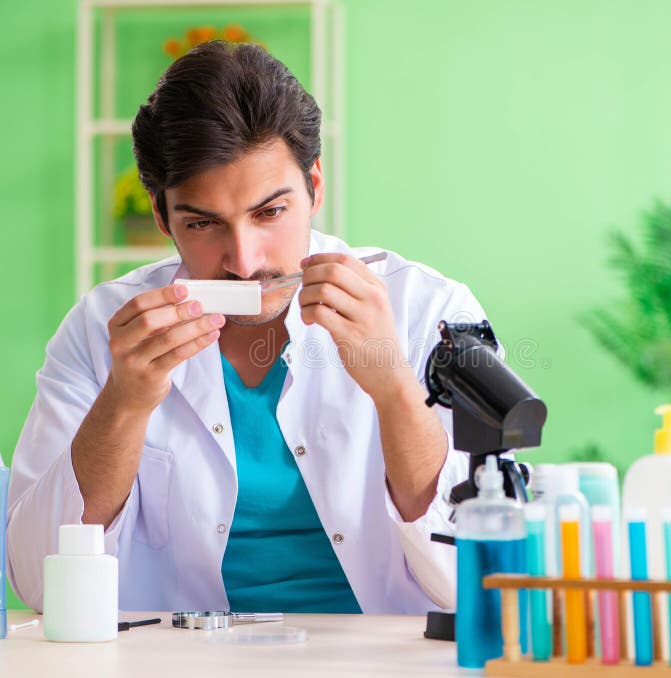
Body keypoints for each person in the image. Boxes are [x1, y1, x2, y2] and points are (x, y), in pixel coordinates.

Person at [7, 41, 490, 614]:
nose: (243, 259)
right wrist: (124, 403)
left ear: (314, 186)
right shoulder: (99, 331)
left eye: (270, 213)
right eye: (204, 223)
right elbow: (41, 586)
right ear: (162, 217)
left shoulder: (431, 312)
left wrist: (393, 387)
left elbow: (478, 572)